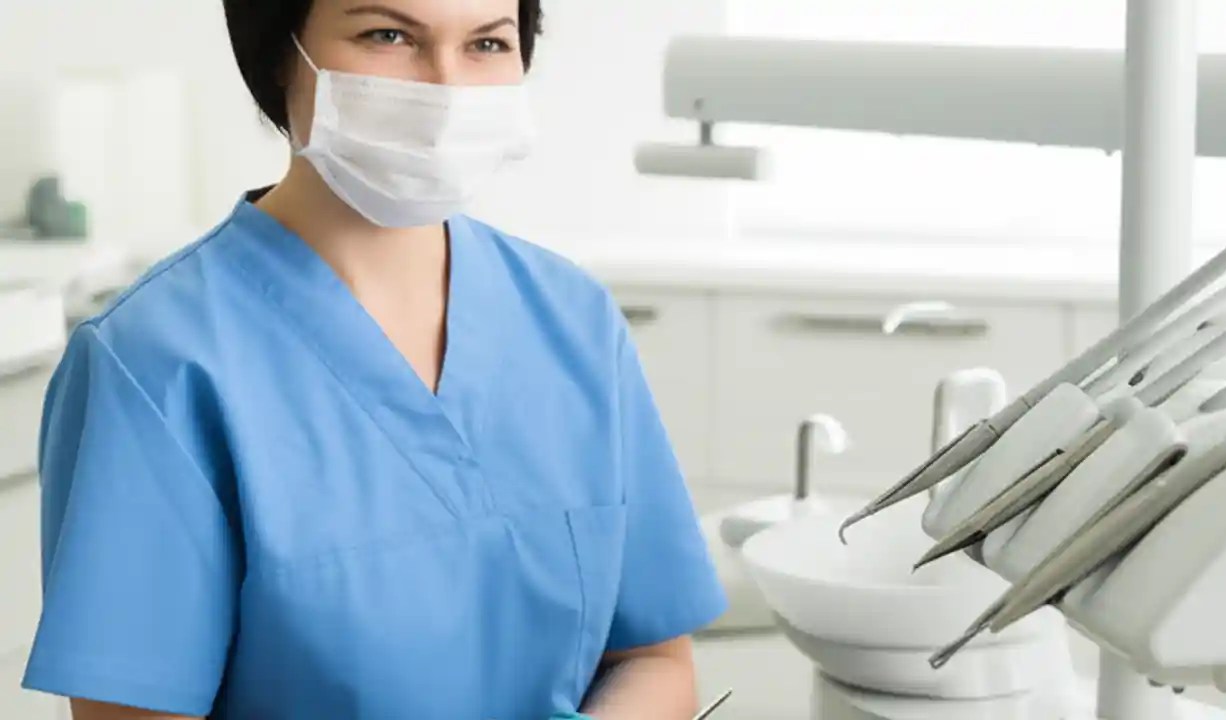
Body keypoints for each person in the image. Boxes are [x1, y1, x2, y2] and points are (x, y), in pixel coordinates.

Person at [20, 1, 727, 718]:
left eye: (487, 43)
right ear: (278, 54)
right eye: (387, 36)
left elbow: (653, 658)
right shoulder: (155, 364)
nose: (445, 86)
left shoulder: (572, 319)